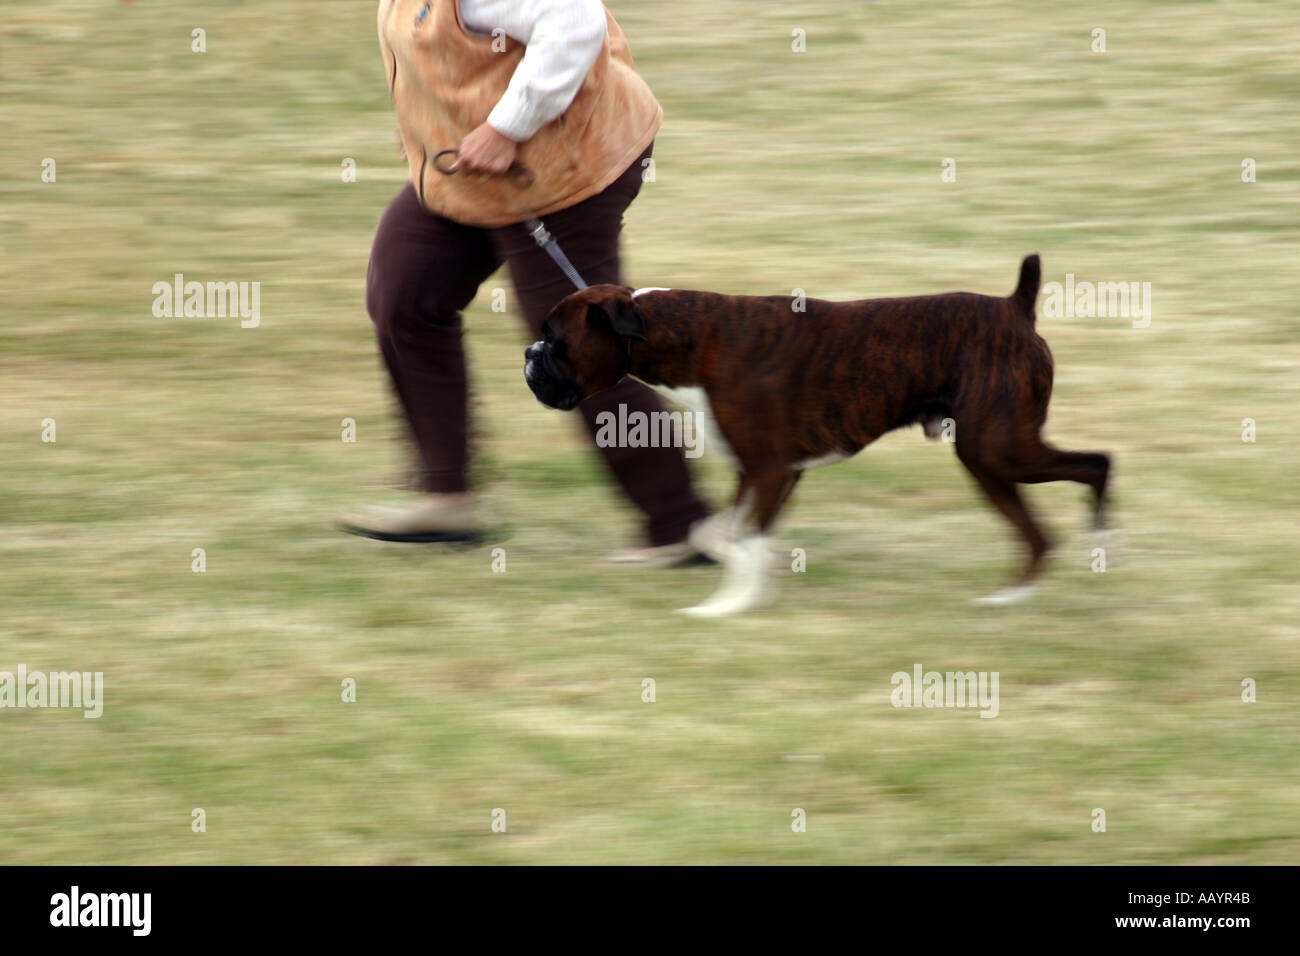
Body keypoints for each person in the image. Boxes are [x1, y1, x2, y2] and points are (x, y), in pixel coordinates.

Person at [342, 0, 710, 565]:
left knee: (582, 347)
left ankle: (683, 525)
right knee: (405, 296)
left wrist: (505, 126)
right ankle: (447, 498)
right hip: (465, 173)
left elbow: (574, 23)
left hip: (560, 172)